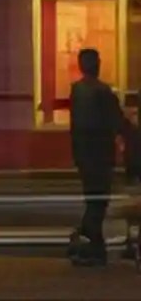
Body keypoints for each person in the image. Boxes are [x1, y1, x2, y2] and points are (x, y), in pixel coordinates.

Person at [69, 48, 133, 266]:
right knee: (99, 201)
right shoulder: (102, 91)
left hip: (84, 155)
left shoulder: (76, 91)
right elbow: (117, 122)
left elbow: (75, 126)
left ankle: (90, 243)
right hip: (100, 154)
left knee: (92, 199)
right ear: (97, 64)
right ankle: (90, 244)